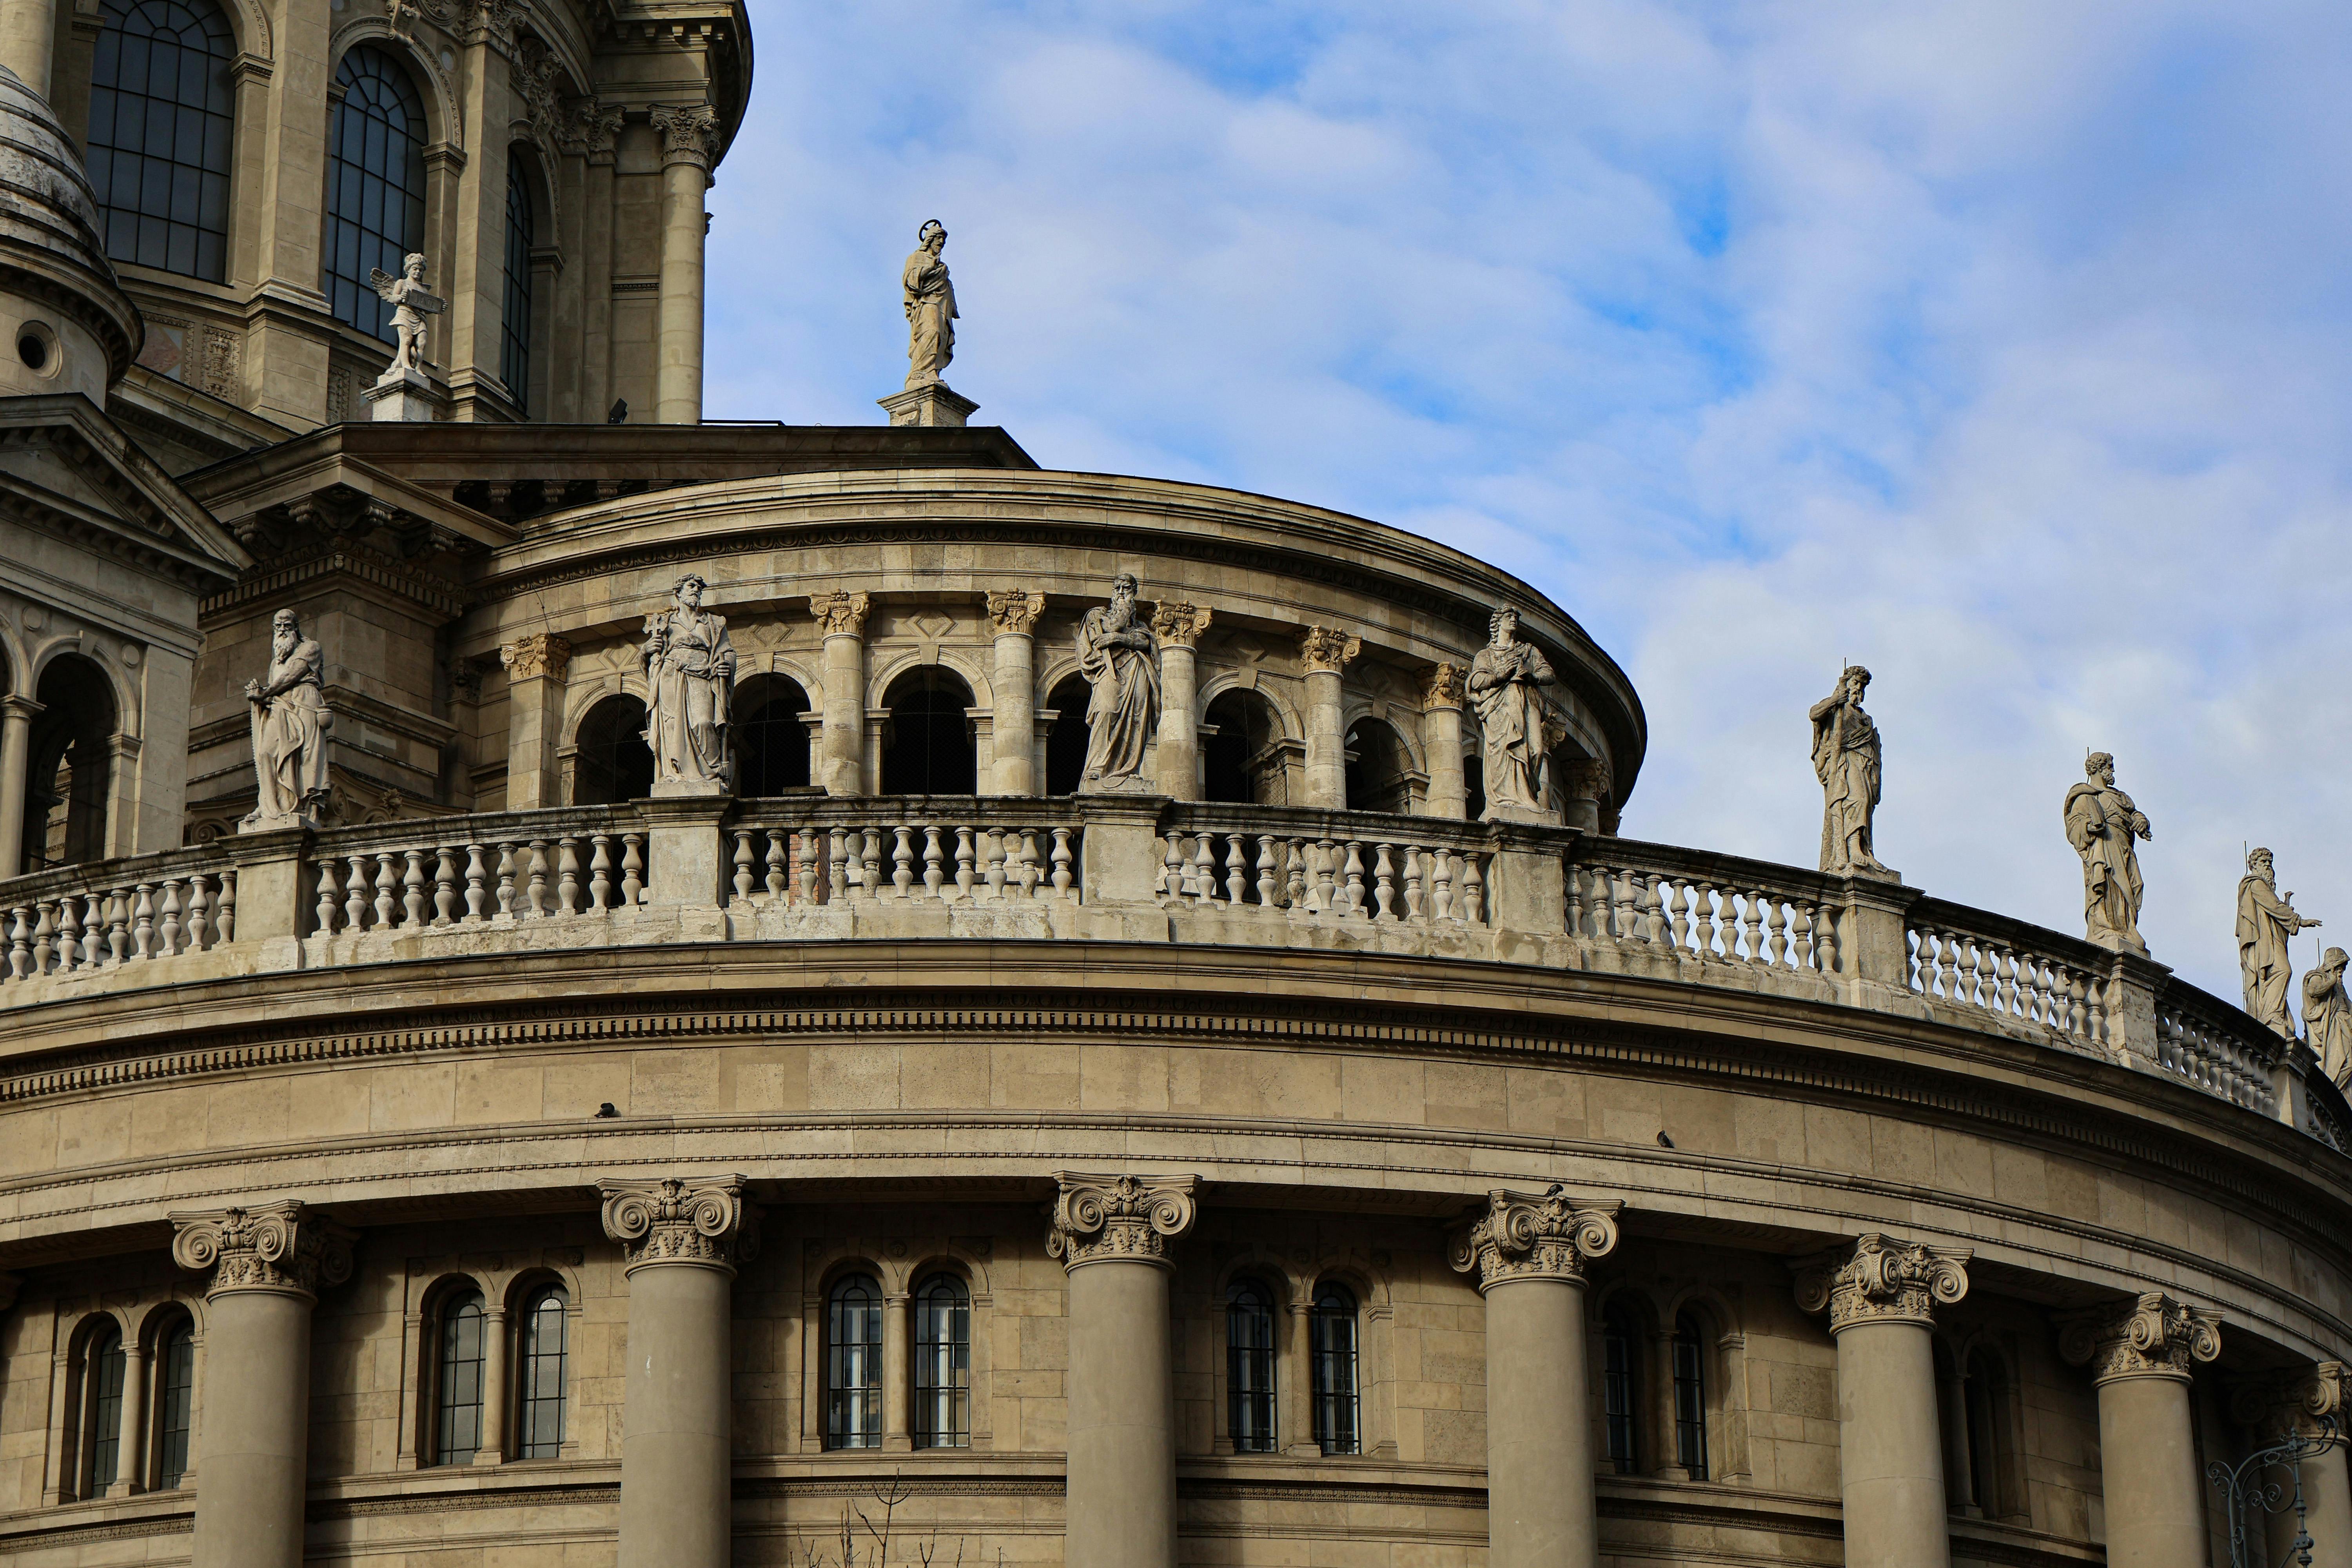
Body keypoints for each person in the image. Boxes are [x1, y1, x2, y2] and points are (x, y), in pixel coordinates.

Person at [641, 574, 737, 791]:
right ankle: (676, 774)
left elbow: (727, 651)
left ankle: (709, 775)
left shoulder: (713, 622)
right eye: (691, 586)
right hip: (671, 677)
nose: (695, 591)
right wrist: (646, 650)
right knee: (671, 726)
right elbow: (651, 656)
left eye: (698, 588)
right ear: (679, 593)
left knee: (703, 722)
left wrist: (726, 665)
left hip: (703, 675)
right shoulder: (665, 623)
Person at [1467, 606, 1560, 818]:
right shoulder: (1487, 655)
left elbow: (1549, 673)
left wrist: (1532, 677)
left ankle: (1527, 794)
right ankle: (1509, 798)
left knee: (1536, 749)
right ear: (1497, 623)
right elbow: (1476, 681)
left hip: (1527, 702)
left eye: (1516, 618)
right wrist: (1501, 674)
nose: (1514, 621)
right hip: (1501, 706)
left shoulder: (1529, 651)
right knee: (1504, 753)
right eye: (1509, 617)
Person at [244, 609, 331, 826]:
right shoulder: (276, 663)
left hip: (305, 704)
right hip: (280, 707)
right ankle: (269, 804)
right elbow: (278, 686)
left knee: (304, 758)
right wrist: (259, 697)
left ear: (296, 628)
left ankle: (301, 806)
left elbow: (293, 674)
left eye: (287, 626)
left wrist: (265, 692)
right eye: (278, 627)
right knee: (266, 752)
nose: (282, 630)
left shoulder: (311, 648)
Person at [1076, 573, 1160, 791]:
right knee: (1107, 710)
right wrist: (1119, 632)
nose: (1122, 593)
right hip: (1109, 671)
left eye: (1127, 589)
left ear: (1135, 593)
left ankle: (1128, 770)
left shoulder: (1140, 625)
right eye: (1118, 588)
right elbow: (1101, 636)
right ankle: (1098, 766)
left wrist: (1119, 639)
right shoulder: (1097, 616)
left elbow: (1144, 641)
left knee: (1136, 720)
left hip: (1137, 670)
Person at [2063, 752, 2152, 953]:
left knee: (2135, 884)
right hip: (2104, 849)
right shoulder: (2085, 796)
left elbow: (2134, 813)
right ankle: (2106, 928)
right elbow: (2074, 827)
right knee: (2108, 885)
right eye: (2109, 766)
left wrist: (2141, 820)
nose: (2112, 771)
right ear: (2096, 768)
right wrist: (2089, 827)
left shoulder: (2120, 797)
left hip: (2124, 847)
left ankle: (2128, 927)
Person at [1809, 665, 1889, 877]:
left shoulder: (1865, 718)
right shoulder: (1837, 709)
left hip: (1866, 765)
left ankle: (1863, 850)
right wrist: (1836, 699)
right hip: (1846, 762)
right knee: (1856, 800)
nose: (1859, 690)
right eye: (1855, 684)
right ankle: (1853, 849)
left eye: (1862, 687)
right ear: (1845, 683)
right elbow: (1814, 714)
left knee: (1865, 805)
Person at [2238, 848, 2321, 1037]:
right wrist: (2299, 920)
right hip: (2264, 943)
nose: (2268, 866)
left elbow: (2274, 910)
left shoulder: (2265, 888)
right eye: (2263, 862)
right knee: (2283, 971)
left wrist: (2284, 906)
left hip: (2272, 939)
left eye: (2270, 863)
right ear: (2254, 866)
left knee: (2278, 973)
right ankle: (2271, 1015)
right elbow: (2273, 907)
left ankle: (2273, 1014)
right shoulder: (2256, 884)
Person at [369, 254, 446, 377]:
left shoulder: (423, 289)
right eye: (415, 269)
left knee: (422, 343)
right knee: (406, 340)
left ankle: (418, 368)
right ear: (409, 269)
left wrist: (440, 308)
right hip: (405, 314)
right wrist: (400, 297)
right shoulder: (402, 283)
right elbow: (393, 298)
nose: (418, 272)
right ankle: (405, 364)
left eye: (421, 270)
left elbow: (427, 308)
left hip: (420, 318)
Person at [902, 220, 957, 388]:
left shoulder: (942, 266)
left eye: (943, 242)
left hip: (942, 304)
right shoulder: (917, 258)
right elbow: (911, 282)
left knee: (941, 336)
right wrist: (931, 268)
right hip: (926, 303)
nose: (941, 244)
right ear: (930, 240)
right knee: (931, 332)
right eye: (938, 240)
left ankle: (931, 371)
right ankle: (919, 372)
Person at [2303, 947, 2352, 1089]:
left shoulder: (2340, 986)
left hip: (2344, 1024)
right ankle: (2332, 1089)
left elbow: (2347, 1004)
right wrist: (2330, 982)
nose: (2342, 970)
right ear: (2333, 964)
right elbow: (2313, 992)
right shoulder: (2318, 976)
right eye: (2340, 967)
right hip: (2333, 1026)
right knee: (2345, 1061)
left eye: (2344, 967)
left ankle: (2337, 1091)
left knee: (2349, 1063)